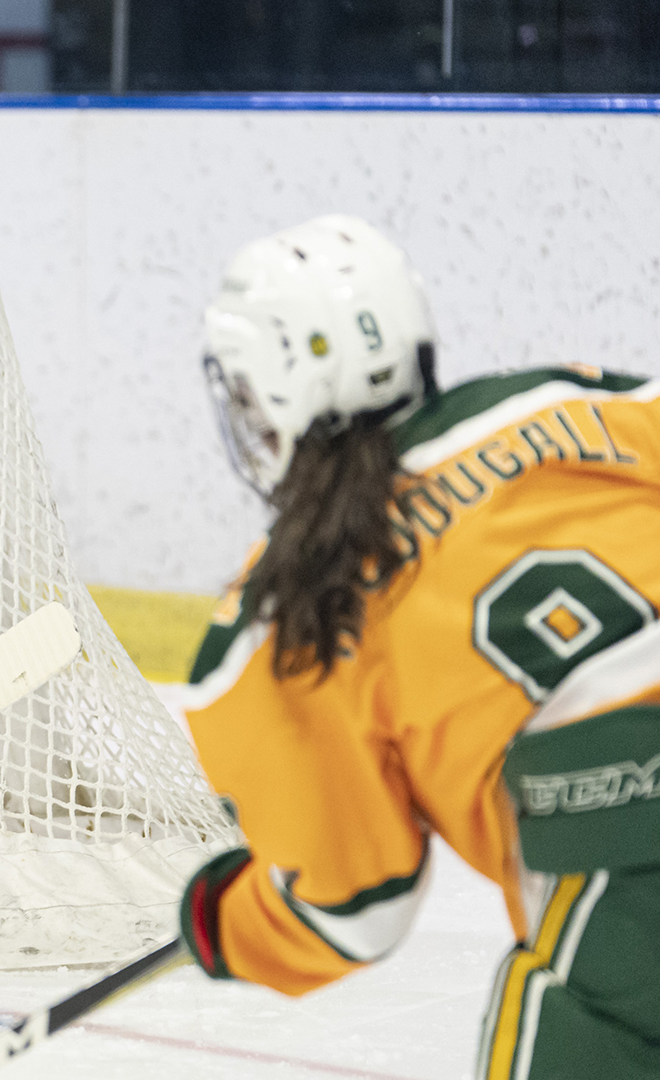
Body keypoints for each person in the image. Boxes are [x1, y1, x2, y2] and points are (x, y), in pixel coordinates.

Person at [177, 214, 660, 1077]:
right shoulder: (569, 404)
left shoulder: (290, 610)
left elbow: (356, 911)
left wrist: (230, 921)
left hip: (630, 863)